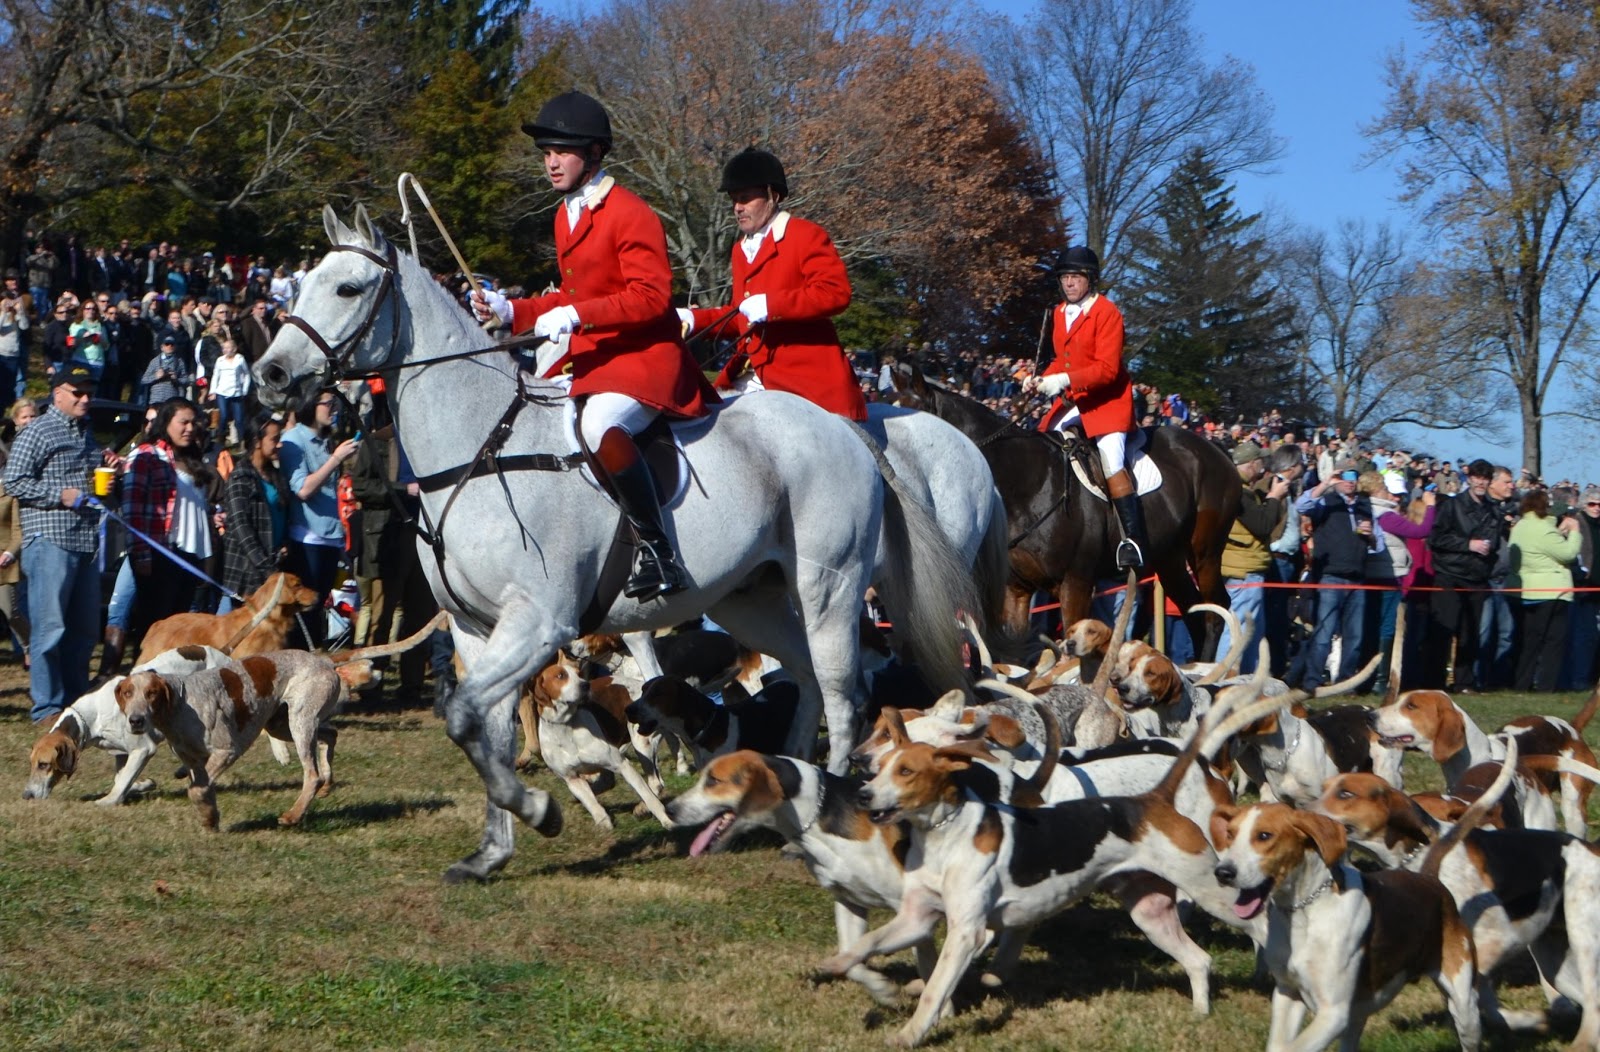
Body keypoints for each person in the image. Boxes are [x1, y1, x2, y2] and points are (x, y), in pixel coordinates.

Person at [471, 90, 716, 600]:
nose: (551, 162)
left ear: (594, 153)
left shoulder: (630, 211)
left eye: (561, 151)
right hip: (599, 360)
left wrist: (577, 315)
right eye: (546, 153)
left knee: (599, 424)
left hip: (646, 359)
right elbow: (572, 295)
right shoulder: (566, 215)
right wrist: (512, 310)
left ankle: (660, 551)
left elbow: (652, 297)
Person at [679, 148, 864, 420]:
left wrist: (772, 305)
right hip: (747, 376)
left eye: (745, 198)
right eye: (734, 200)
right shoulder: (740, 249)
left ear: (772, 196)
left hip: (803, 381)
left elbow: (835, 293)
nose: (737, 207)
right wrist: (694, 319)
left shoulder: (805, 235)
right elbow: (740, 316)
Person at [2, 365, 116, 722]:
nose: (85, 399)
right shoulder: (36, 431)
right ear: (57, 394)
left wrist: (107, 479)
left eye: (88, 392)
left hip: (84, 541)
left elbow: (86, 486)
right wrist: (58, 495)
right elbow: (13, 480)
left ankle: (75, 702)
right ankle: (47, 707)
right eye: (77, 392)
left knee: (84, 631)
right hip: (49, 540)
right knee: (50, 628)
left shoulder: (87, 434)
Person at [1023, 245, 1147, 569]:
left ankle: (1131, 540)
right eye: (1065, 277)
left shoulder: (1107, 312)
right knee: (1042, 446)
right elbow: (1062, 361)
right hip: (1075, 401)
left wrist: (1062, 379)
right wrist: (1039, 379)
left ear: (1090, 279)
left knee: (1111, 460)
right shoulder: (1060, 313)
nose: (1069, 283)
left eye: (1076, 277)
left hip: (1107, 401)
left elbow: (1107, 370)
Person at [122, 398, 218, 644]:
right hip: (162, 554)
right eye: (183, 422)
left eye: (193, 423)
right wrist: (140, 553)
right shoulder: (147, 455)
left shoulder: (192, 458)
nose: (190, 428)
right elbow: (133, 508)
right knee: (156, 628)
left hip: (191, 556)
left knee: (179, 632)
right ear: (166, 422)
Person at [279, 388, 359, 645]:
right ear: (310, 405)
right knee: (306, 611)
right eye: (328, 403)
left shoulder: (325, 440)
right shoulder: (293, 440)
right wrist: (336, 459)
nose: (334, 409)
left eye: (335, 403)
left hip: (331, 535)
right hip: (307, 538)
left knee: (320, 606)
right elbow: (303, 489)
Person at [1294, 459, 1382, 692]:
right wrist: (1326, 483)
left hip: (1357, 578)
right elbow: (1301, 506)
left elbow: (1379, 545)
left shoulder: (1365, 505)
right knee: (1323, 633)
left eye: (1353, 477)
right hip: (1330, 576)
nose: (1349, 482)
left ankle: (1345, 683)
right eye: (1344, 476)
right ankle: (1312, 681)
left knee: (1354, 636)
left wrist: (1370, 537)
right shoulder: (1327, 502)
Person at [1423, 458, 1500, 692]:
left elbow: (1495, 543)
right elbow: (1436, 538)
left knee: (1470, 633)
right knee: (1443, 630)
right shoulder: (1452, 505)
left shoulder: (1494, 510)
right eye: (1477, 478)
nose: (1481, 483)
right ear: (1469, 479)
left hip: (1477, 577)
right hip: (1449, 574)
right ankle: (1434, 682)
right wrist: (1468, 544)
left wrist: (1488, 552)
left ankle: (1464, 682)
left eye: (1485, 479)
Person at [1217, 441, 1289, 673]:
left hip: (1247, 570)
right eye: (1260, 461)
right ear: (1250, 464)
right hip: (1243, 572)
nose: (1263, 466)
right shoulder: (1237, 491)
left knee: (1253, 631)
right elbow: (1262, 525)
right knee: (1237, 629)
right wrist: (1274, 497)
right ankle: (1223, 679)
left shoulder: (1237, 488)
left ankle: (1249, 678)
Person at [1508, 489, 1581, 692]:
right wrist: (1574, 531)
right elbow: (1568, 553)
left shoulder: (1520, 526)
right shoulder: (1544, 529)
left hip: (1528, 591)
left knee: (1529, 641)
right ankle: (1546, 686)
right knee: (1553, 642)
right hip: (1552, 591)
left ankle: (1521, 684)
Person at [221, 412, 287, 608]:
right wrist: (265, 566)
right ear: (257, 442)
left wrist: (284, 545)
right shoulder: (240, 477)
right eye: (274, 439)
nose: (279, 444)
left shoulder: (274, 475)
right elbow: (240, 526)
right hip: (248, 571)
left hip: (273, 563)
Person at [1563, 484, 1600, 689]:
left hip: (1597, 589)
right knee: (1584, 636)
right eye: (1592, 504)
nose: (1596, 508)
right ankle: (1580, 679)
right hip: (1583, 588)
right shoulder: (1576, 522)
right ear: (1584, 504)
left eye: (1599, 504)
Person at [206, 338, 251, 448]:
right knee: (224, 415)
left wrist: (244, 390)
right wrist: (213, 391)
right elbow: (216, 376)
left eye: (228, 347)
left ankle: (241, 442)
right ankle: (220, 440)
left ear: (234, 349)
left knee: (239, 419)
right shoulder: (220, 360)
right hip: (222, 392)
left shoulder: (240, 359)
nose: (225, 350)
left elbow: (246, 374)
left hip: (236, 393)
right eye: (224, 348)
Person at [142, 334, 193, 405]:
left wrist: (176, 379)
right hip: (156, 399)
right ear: (162, 347)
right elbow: (144, 380)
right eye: (167, 344)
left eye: (172, 344)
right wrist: (156, 376)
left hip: (172, 400)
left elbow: (186, 381)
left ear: (175, 347)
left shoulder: (179, 362)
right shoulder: (154, 361)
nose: (169, 346)